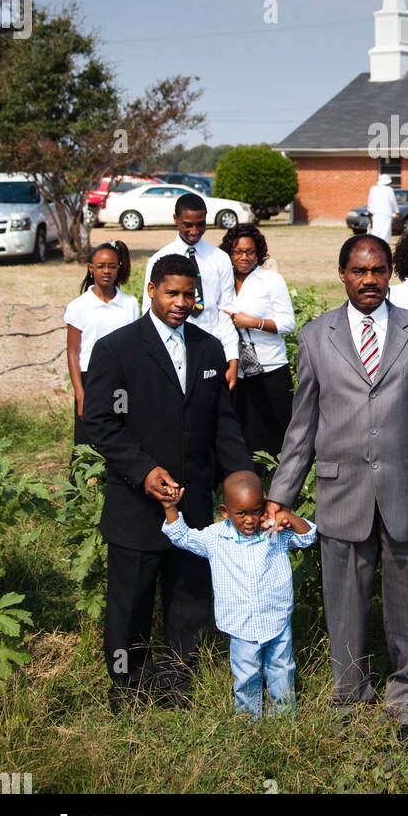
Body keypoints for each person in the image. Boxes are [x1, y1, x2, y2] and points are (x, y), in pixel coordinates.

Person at [264, 235, 408, 750]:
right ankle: (349, 696)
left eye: (377, 271)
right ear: (342, 274)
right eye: (358, 271)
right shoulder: (314, 336)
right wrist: (280, 494)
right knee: (344, 604)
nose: (368, 279)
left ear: (389, 274)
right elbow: (301, 426)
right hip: (341, 493)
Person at [83, 254, 254, 713]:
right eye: (172, 293)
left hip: (194, 503)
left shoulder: (208, 349)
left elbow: (223, 426)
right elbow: (101, 423)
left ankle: (179, 681)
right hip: (136, 505)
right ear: (152, 290)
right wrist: (143, 471)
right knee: (130, 601)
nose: (181, 303)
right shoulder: (117, 349)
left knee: (189, 595)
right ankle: (127, 689)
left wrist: (244, 482)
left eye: (189, 295)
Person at [158, 470, 316, 719]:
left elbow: (308, 537)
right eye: (241, 513)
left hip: (276, 618)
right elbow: (182, 537)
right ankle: (248, 720)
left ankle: (284, 717)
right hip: (240, 623)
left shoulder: (274, 532)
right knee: (246, 673)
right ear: (225, 511)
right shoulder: (215, 538)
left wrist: (287, 516)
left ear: (264, 504)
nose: (250, 520)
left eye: (256, 511)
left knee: (282, 668)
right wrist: (170, 507)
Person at [142, 193, 239, 391]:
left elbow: (226, 310)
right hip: (172, 348)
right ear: (175, 220)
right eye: (187, 224)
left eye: (200, 224)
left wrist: (231, 355)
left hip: (210, 346)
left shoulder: (219, 259)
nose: (194, 231)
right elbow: (149, 307)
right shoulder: (159, 259)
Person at [218, 224, 295, 471]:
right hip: (235, 371)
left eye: (250, 252)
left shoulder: (270, 281)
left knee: (274, 437)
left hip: (270, 369)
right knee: (241, 435)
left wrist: (254, 322)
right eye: (238, 252)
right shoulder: (223, 281)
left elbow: (288, 324)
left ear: (258, 253)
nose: (244, 257)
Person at [64, 239, 139, 450]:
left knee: (120, 431)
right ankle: (80, 482)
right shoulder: (79, 307)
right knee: (86, 440)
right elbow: (73, 353)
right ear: (91, 269)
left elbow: (134, 348)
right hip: (91, 381)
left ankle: (116, 480)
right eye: (100, 266)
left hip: (120, 383)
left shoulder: (129, 304)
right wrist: (80, 394)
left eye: (111, 266)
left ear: (119, 267)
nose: (106, 271)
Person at [366, 173, 399, 241]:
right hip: (386, 213)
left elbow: (370, 200)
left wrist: (369, 209)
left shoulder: (373, 189)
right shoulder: (389, 189)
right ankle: (383, 243)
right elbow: (392, 201)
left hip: (376, 213)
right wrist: (396, 211)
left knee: (376, 229)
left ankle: (375, 241)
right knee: (385, 230)